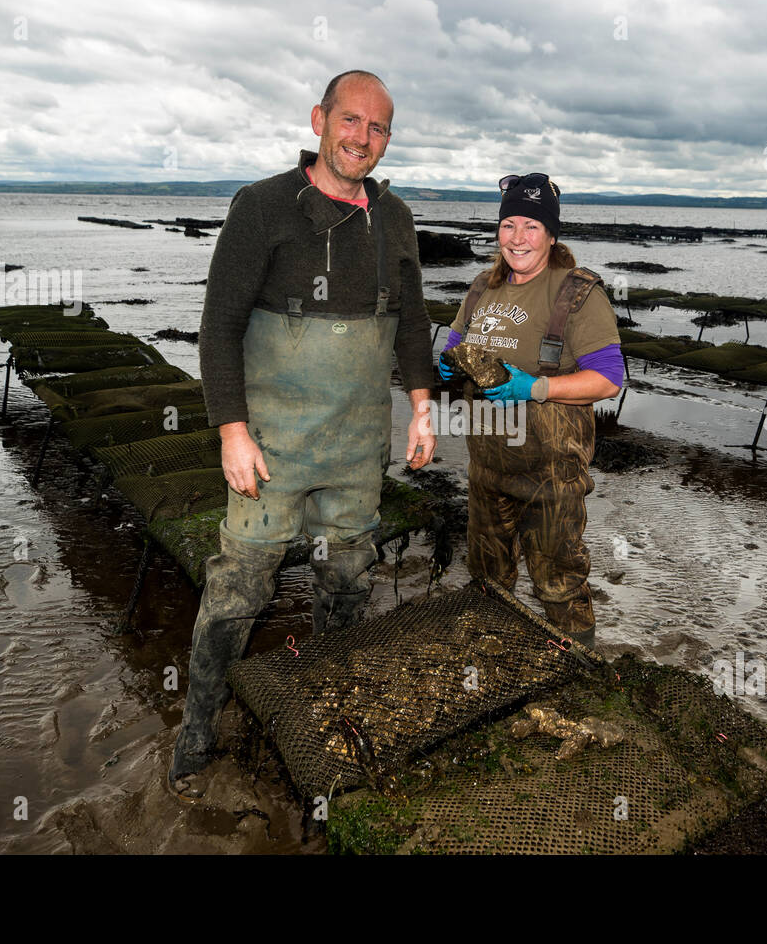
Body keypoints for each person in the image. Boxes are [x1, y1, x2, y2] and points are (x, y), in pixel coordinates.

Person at [169, 70, 435, 799]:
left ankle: (328, 708)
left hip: (356, 450)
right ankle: (196, 731)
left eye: (378, 128)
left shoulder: (399, 220)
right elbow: (219, 326)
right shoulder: (261, 207)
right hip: (271, 447)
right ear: (320, 119)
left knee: (347, 581)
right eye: (351, 120)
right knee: (238, 590)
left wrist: (420, 404)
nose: (362, 138)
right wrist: (231, 430)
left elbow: (412, 325)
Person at [437, 173, 622, 646]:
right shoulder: (482, 288)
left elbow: (607, 380)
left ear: (552, 235)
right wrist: (445, 367)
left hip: (551, 473)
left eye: (532, 227)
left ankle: (577, 673)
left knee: (559, 583)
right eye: (509, 225)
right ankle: (495, 657)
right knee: (487, 578)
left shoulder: (576, 293)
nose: (517, 238)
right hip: (487, 467)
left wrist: (535, 387)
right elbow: (456, 345)